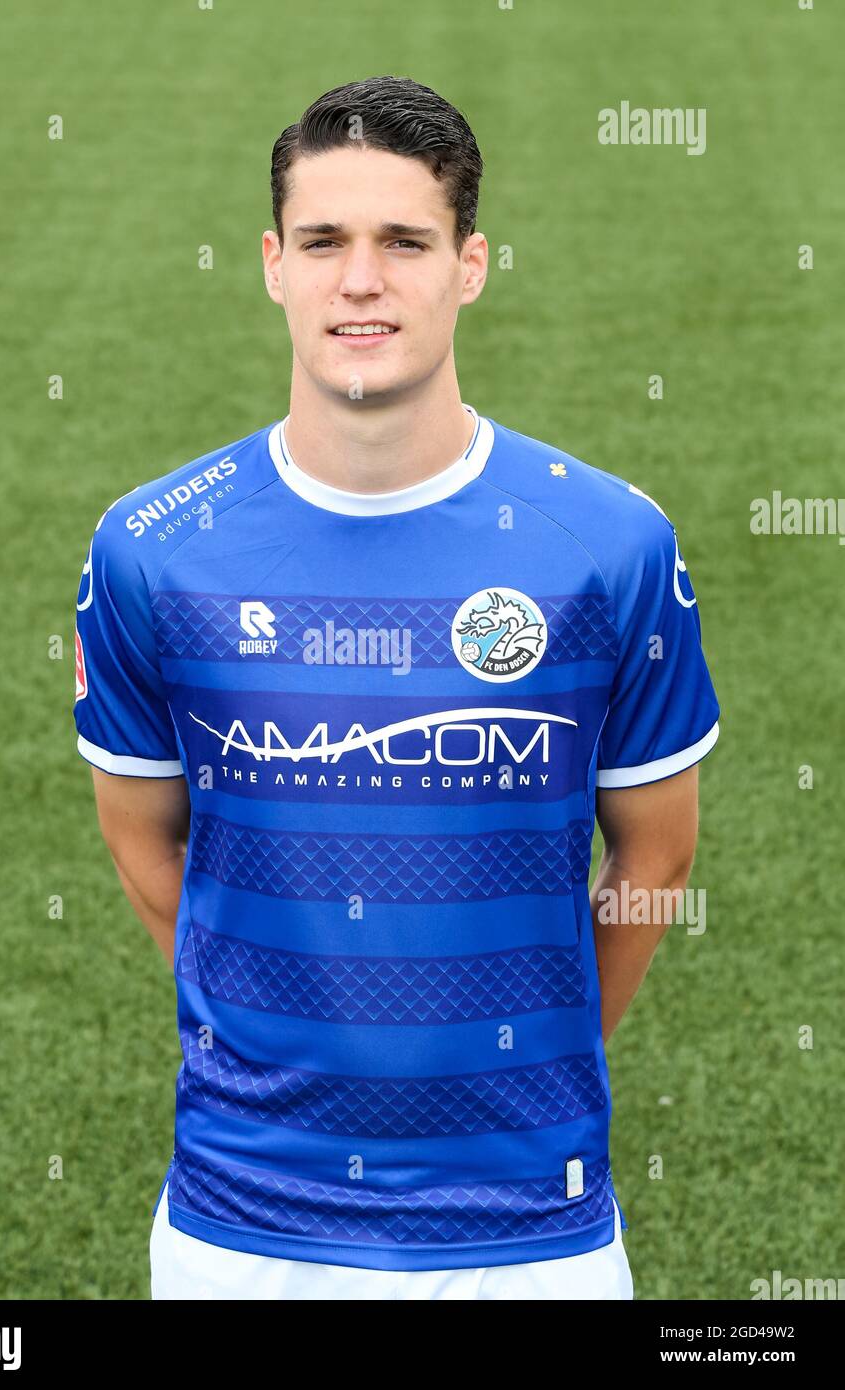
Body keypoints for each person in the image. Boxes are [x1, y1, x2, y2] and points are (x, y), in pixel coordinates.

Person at [72, 75, 720, 1300]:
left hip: (535, 1230)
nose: (360, 280)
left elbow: (658, 857)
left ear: (469, 264)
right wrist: (282, 1036)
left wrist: (526, 1059)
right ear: (273, 263)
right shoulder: (153, 549)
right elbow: (147, 846)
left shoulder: (609, 543)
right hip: (239, 1226)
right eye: (324, 241)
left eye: (404, 242)